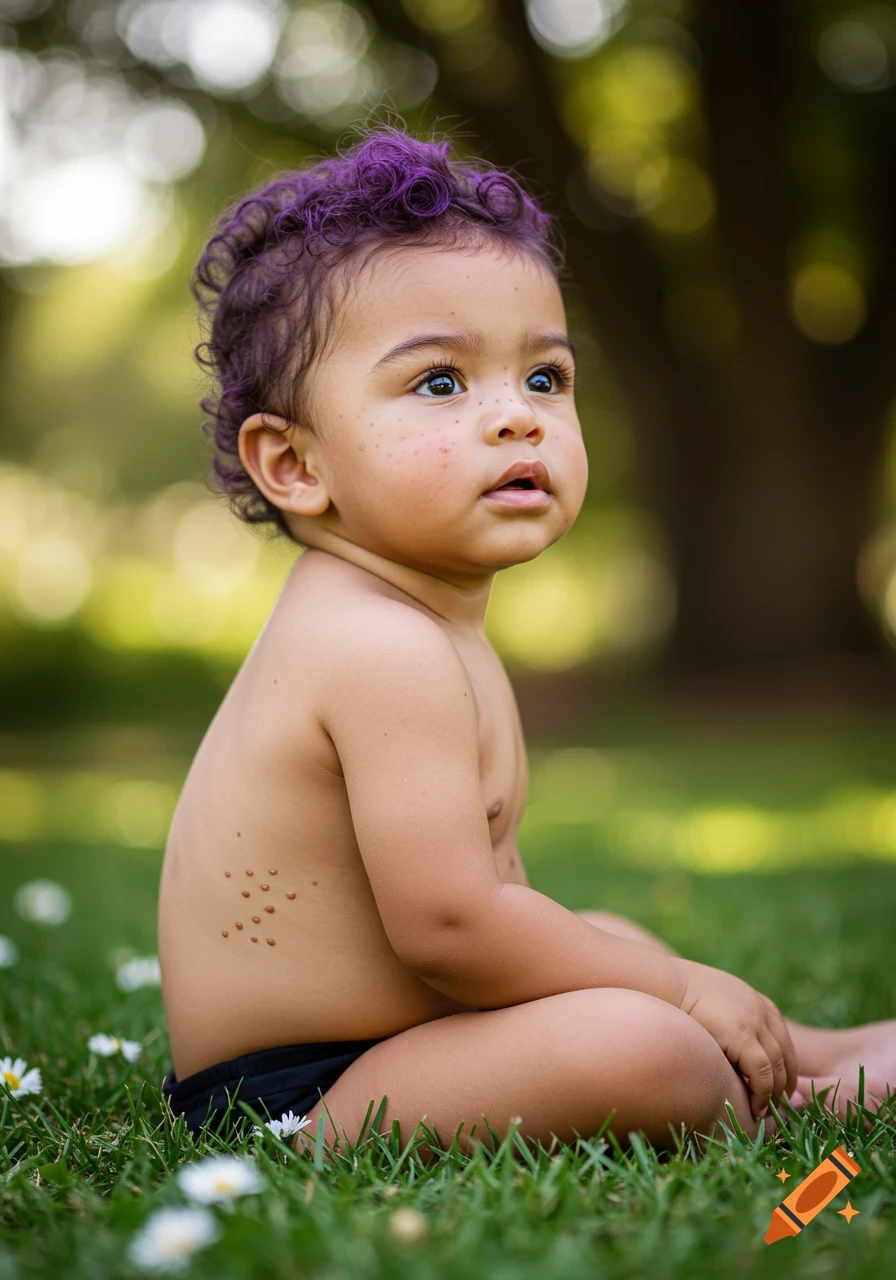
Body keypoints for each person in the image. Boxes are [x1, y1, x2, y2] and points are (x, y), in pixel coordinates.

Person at [158, 124, 894, 1158]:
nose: (517, 418)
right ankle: (802, 1099)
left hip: (403, 1039)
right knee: (639, 1037)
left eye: (543, 378)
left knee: (609, 939)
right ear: (293, 462)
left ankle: (810, 1047)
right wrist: (679, 990)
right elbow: (453, 928)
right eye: (440, 383)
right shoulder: (375, 645)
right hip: (302, 1088)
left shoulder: (417, 614)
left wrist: (642, 967)